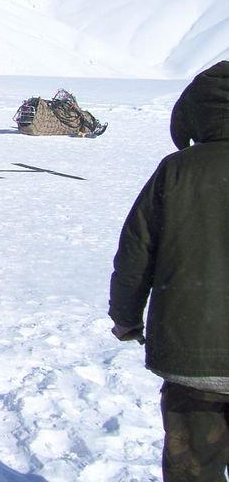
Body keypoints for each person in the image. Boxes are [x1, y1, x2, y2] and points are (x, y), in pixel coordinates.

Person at [109, 60, 229, 481]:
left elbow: (136, 253)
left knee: (193, 471)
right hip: (191, 358)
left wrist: (125, 318)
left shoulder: (176, 171)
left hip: (192, 358)